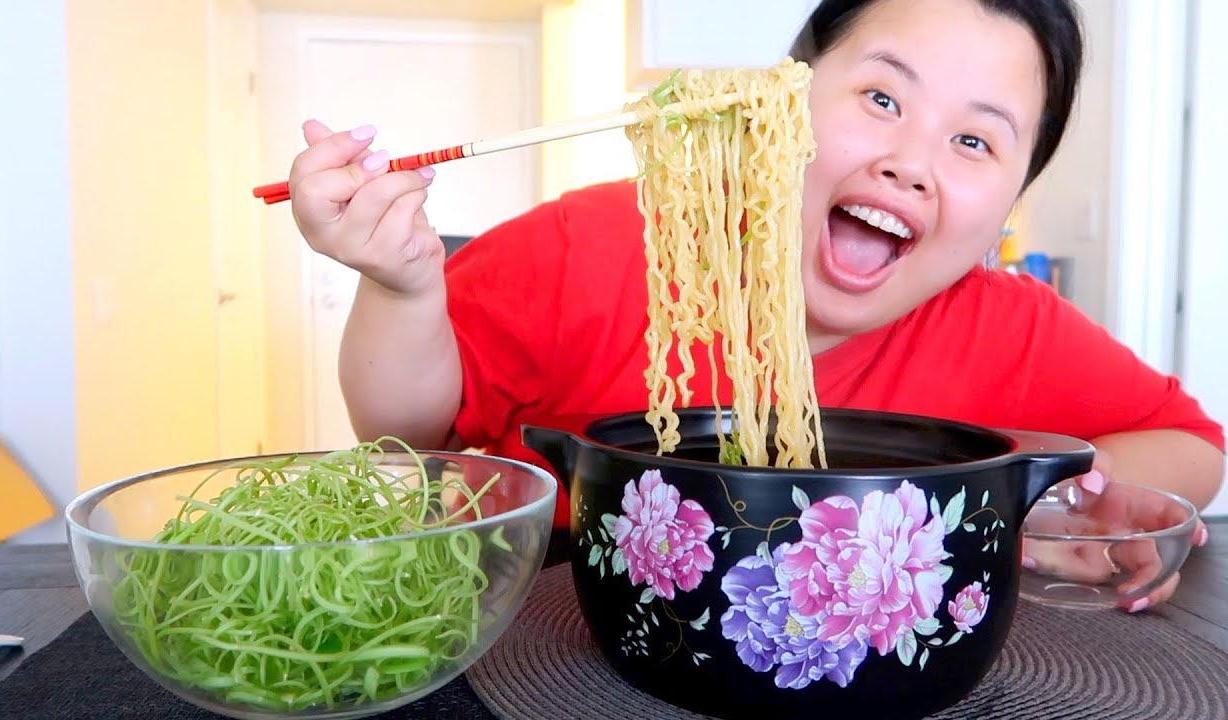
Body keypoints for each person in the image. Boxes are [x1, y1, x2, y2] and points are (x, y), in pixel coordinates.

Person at [282, 0, 1224, 610]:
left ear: (1011, 200)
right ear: (784, 98)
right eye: (882, 99)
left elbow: (1193, 445)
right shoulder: (592, 241)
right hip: (535, 615)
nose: (911, 162)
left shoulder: (1005, 324)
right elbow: (406, 430)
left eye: (976, 143)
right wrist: (402, 286)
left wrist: (1057, 505)